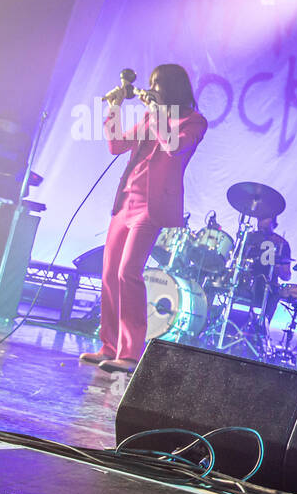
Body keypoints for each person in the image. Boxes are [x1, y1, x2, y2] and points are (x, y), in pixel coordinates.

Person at [80, 64, 208, 373]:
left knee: (128, 272)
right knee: (109, 273)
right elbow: (116, 145)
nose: (151, 89)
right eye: (151, 84)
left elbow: (174, 147)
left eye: (157, 84)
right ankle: (108, 345)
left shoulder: (194, 122)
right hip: (125, 202)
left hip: (150, 208)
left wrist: (157, 112)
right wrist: (114, 107)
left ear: (173, 88)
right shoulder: (152, 117)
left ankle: (130, 352)